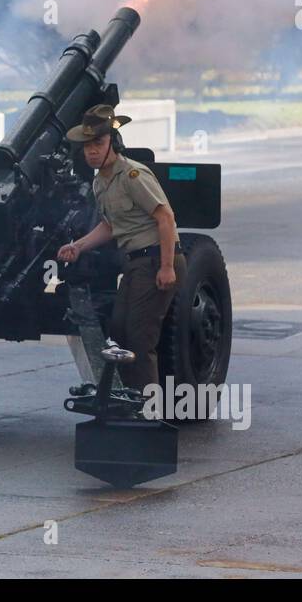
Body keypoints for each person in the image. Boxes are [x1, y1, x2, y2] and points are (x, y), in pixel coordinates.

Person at [56, 104, 186, 394]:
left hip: (155, 261)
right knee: (119, 333)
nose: (91, 151)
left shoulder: (132, 175)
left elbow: (165, 217)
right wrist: (78, 246)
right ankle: (126, 401)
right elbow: (110, 225)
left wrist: (166, 267)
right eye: (87, 145)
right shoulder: (100, 181)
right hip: (136, 264)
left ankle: (147, 413)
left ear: (112, 143)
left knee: (140, 339)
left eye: (98, 144)